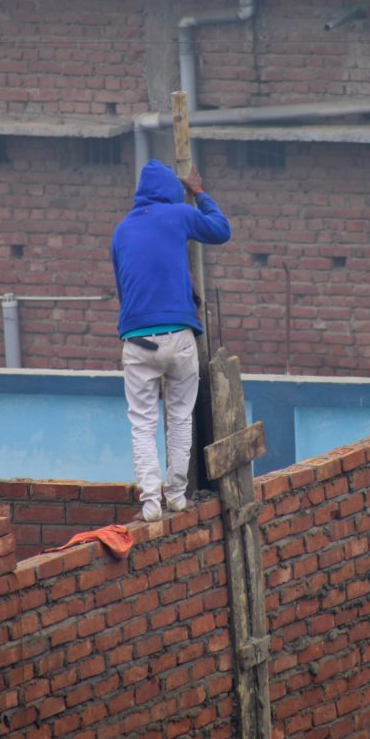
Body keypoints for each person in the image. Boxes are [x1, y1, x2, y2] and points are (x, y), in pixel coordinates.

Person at [111, 159, 231, 522]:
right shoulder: (180, 214)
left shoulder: (121, 231)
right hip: (179, 336)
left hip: (137, 340)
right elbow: (221, 230)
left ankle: (151, 503)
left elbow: (124, 289)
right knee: (179, 418)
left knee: (142, 423)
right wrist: (198, 191)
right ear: (171, 191)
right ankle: (177, 495)